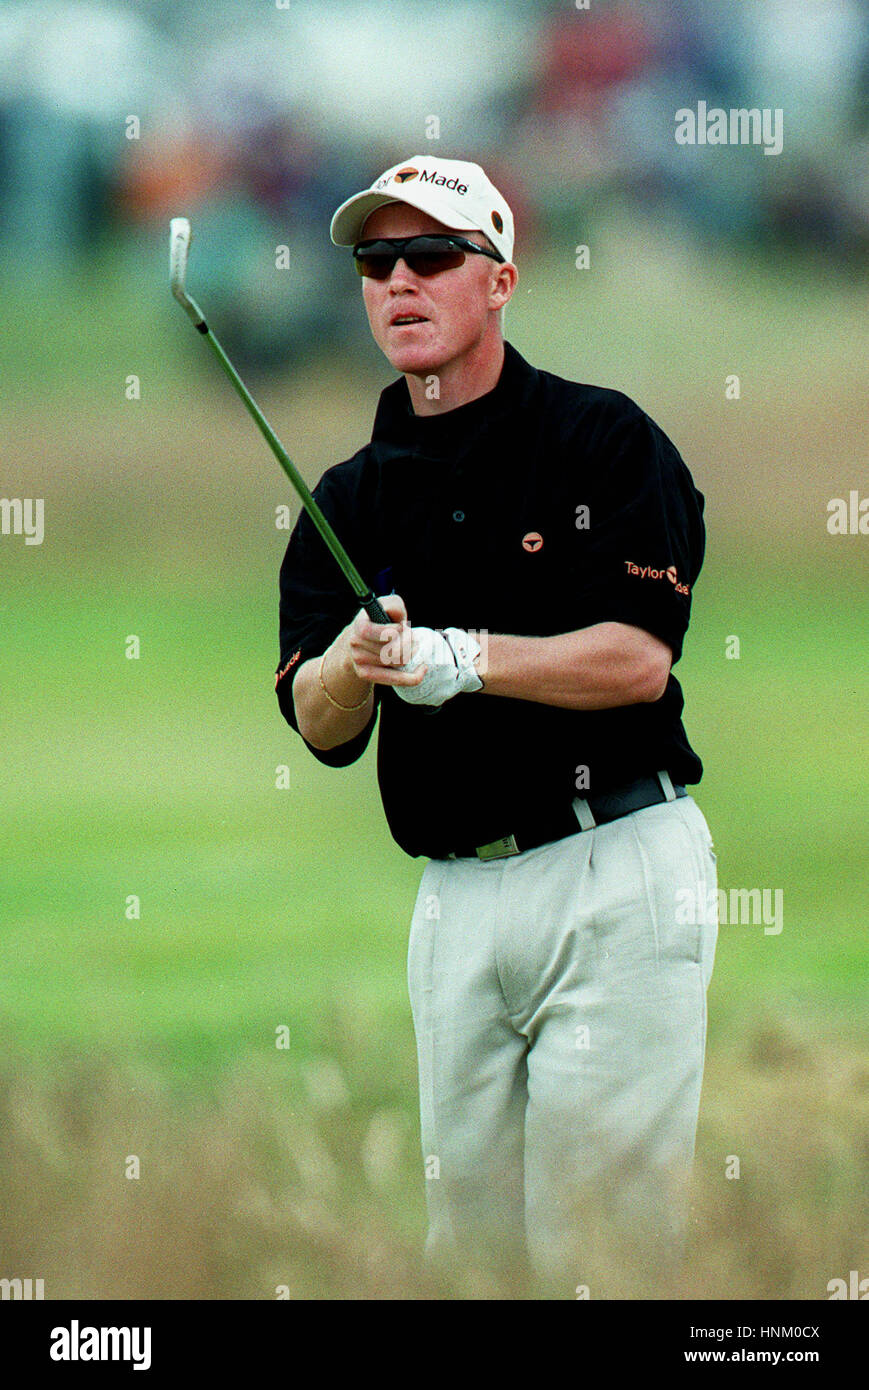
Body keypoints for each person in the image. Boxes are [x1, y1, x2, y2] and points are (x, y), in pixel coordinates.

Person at [275, 155, 718, 1293]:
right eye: (377, 263)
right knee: (468, 1259)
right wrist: (354, 661)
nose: (398, 283)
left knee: (599, 1252)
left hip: (611, 868)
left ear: (500, 279)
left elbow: (633, 659)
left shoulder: (602, 442)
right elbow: (318, 725)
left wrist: (460, 659)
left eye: (431, 256)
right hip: (454, 904)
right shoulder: (348, 496)